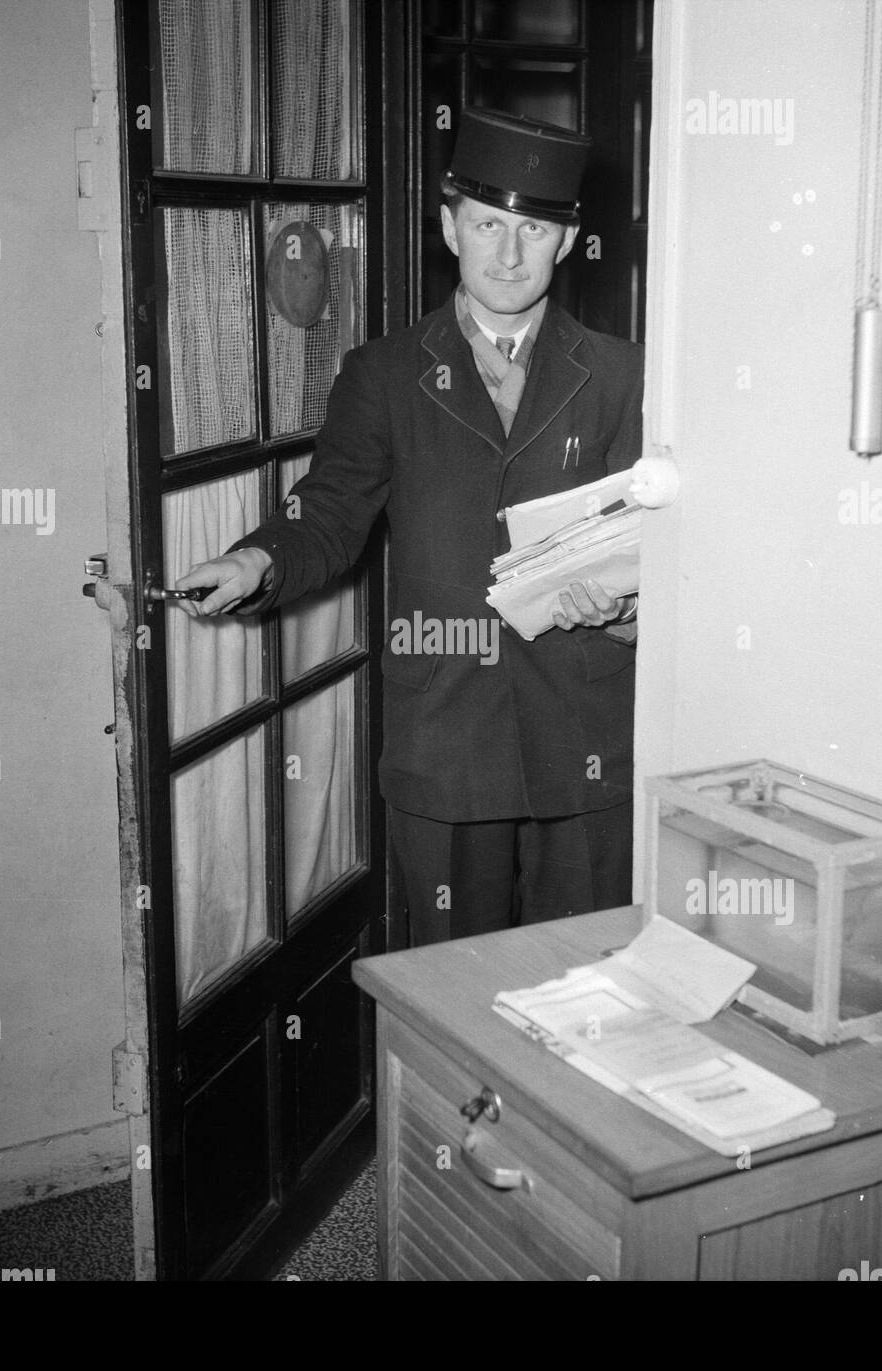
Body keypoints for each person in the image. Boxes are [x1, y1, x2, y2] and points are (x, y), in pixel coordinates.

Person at [177, 107, 644, 946]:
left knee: (588, 989)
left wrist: (627, 606)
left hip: (584, 734)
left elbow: (656, 541)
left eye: (533, 231)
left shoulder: (621, 375)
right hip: (446, 735)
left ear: (568, 241)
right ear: (448, 226)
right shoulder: (384, 374)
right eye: (488, 224)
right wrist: (257, 560)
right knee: (444, 997)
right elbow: (328, 510)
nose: (509, 254)